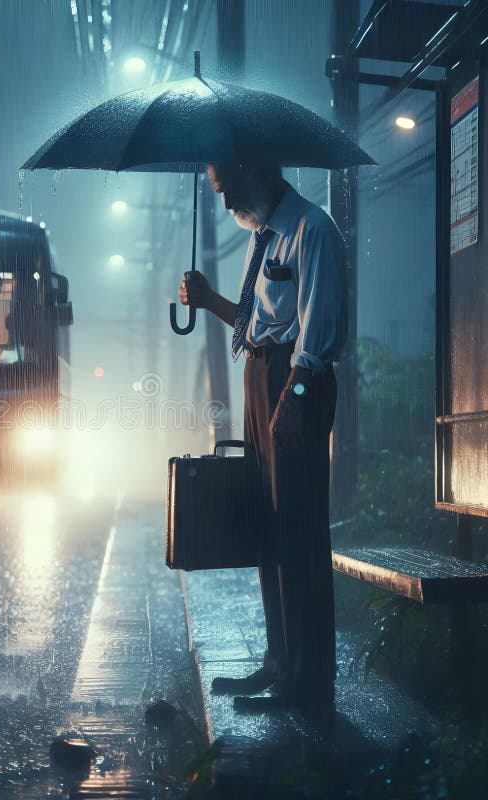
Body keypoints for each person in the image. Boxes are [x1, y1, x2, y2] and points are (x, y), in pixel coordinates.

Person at [179, 159, 347, 730]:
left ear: (256, 172)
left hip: (292, 384)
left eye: (228, 191)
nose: (226, 206)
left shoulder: (312, 231)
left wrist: (294, 399)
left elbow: (315, 336)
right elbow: (255, 324)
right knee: (268, 529)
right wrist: (208, 301)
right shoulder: (262, 238)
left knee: (297, 530)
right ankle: (279, 662)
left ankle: (308, 680)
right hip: (261, 375)